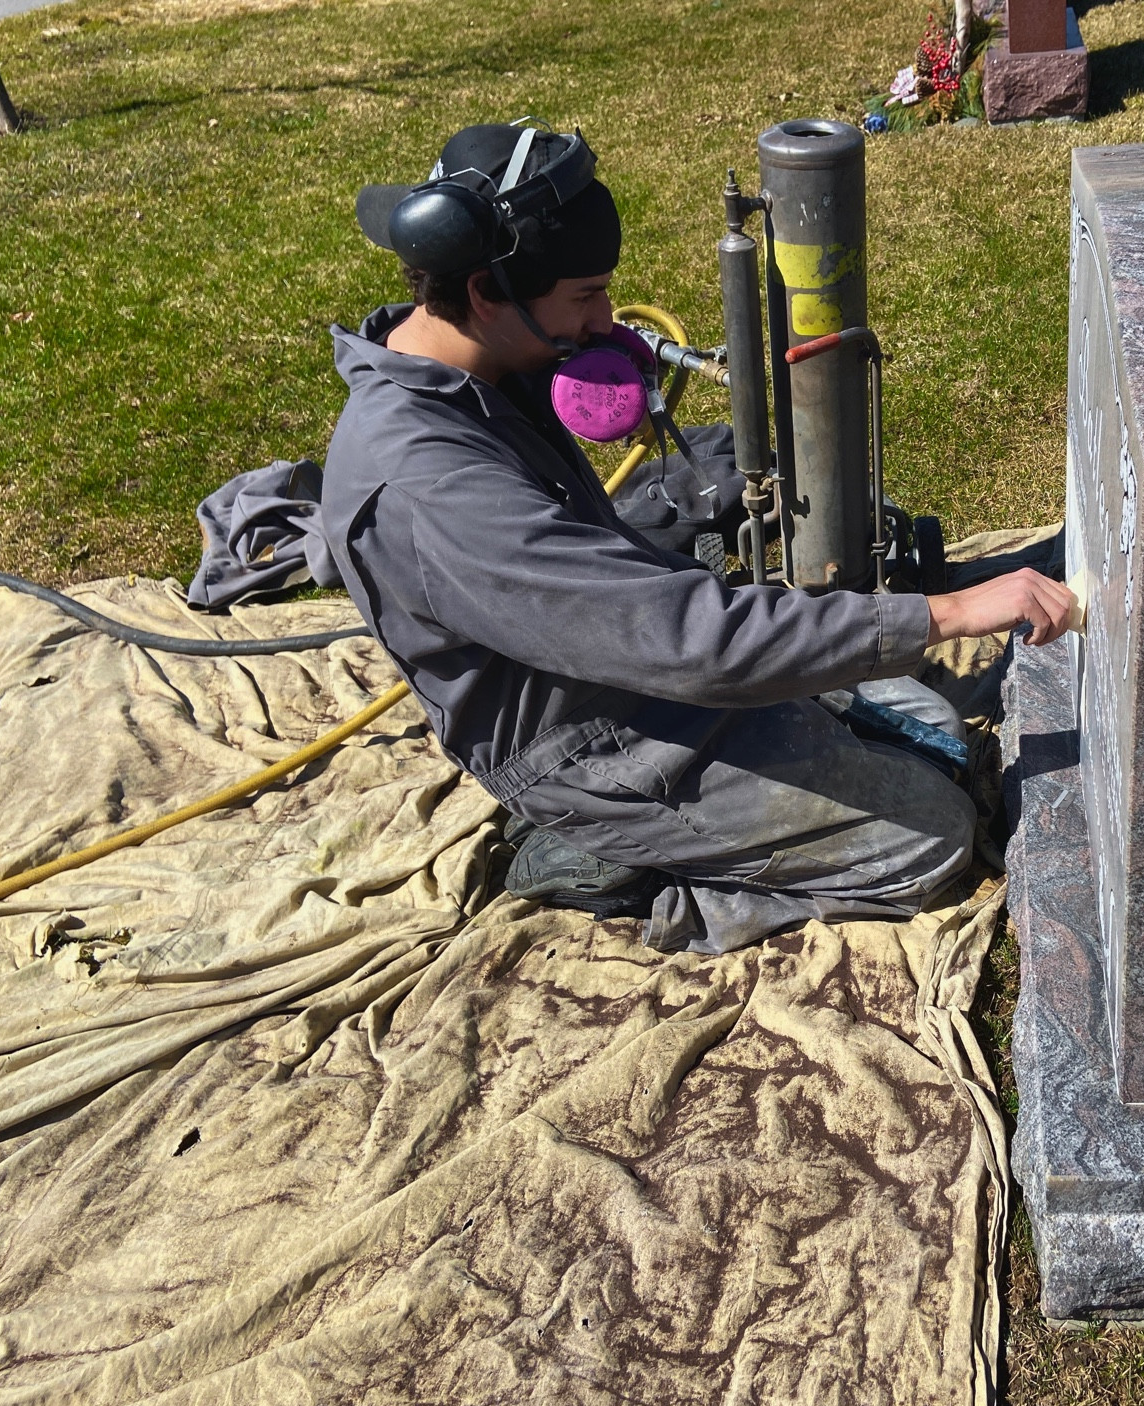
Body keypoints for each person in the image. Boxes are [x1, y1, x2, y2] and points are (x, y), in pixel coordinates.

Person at [322, 120, 1075, 954]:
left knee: (925, 722)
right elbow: (691, 638)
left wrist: (571, 343)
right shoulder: (431, 492)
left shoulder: (482, 365)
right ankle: (633, 878)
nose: (606, 319)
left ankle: (720, 813)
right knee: (931, 840)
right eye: (584, 298)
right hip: (586, 750)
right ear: (486, 291)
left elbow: (661, 626)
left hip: (632, 662)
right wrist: (947, 612)